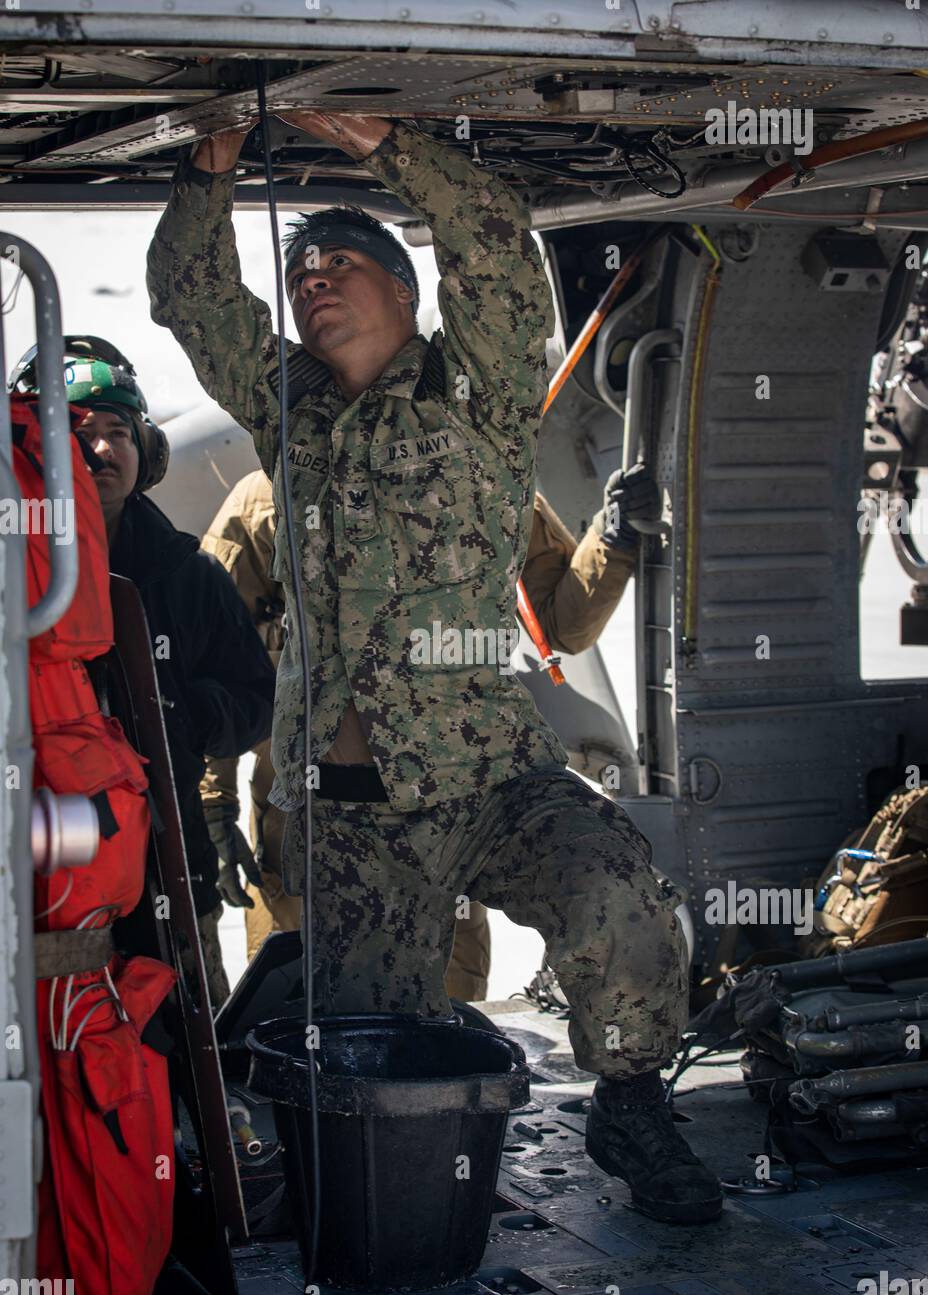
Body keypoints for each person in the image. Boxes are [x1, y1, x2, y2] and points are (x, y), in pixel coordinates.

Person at [148, 112, 721, 1223]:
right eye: (300, 267)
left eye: (343, 261)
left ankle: (633, 1099)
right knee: (374, 1063)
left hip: (493, 780)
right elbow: (195, 298)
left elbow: (498, 249)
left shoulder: (481, 394)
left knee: (622, 896)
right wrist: (207, 174)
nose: (314, 279)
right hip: (353, 819)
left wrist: (386, 146)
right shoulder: (291, 415)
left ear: (403, 293)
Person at [198, 463, 657, 999]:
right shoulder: (265, 502)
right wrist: (214, 804)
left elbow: (559, 625)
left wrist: (612, 535)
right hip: (310, 811)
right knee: (297, 1009)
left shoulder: (487, 480)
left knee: (443, 1013)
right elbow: (223, 666)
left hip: (446, 800)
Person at [10, 338, 277, 1008]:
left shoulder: (188, 577)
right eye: (76, 431)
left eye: (117, 431)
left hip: (167, 871)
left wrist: (186, 717)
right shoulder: (12, 575)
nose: (100, 449)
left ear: (146, 450)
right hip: (38, 875)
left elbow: (256, 699)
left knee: (191, 1057)